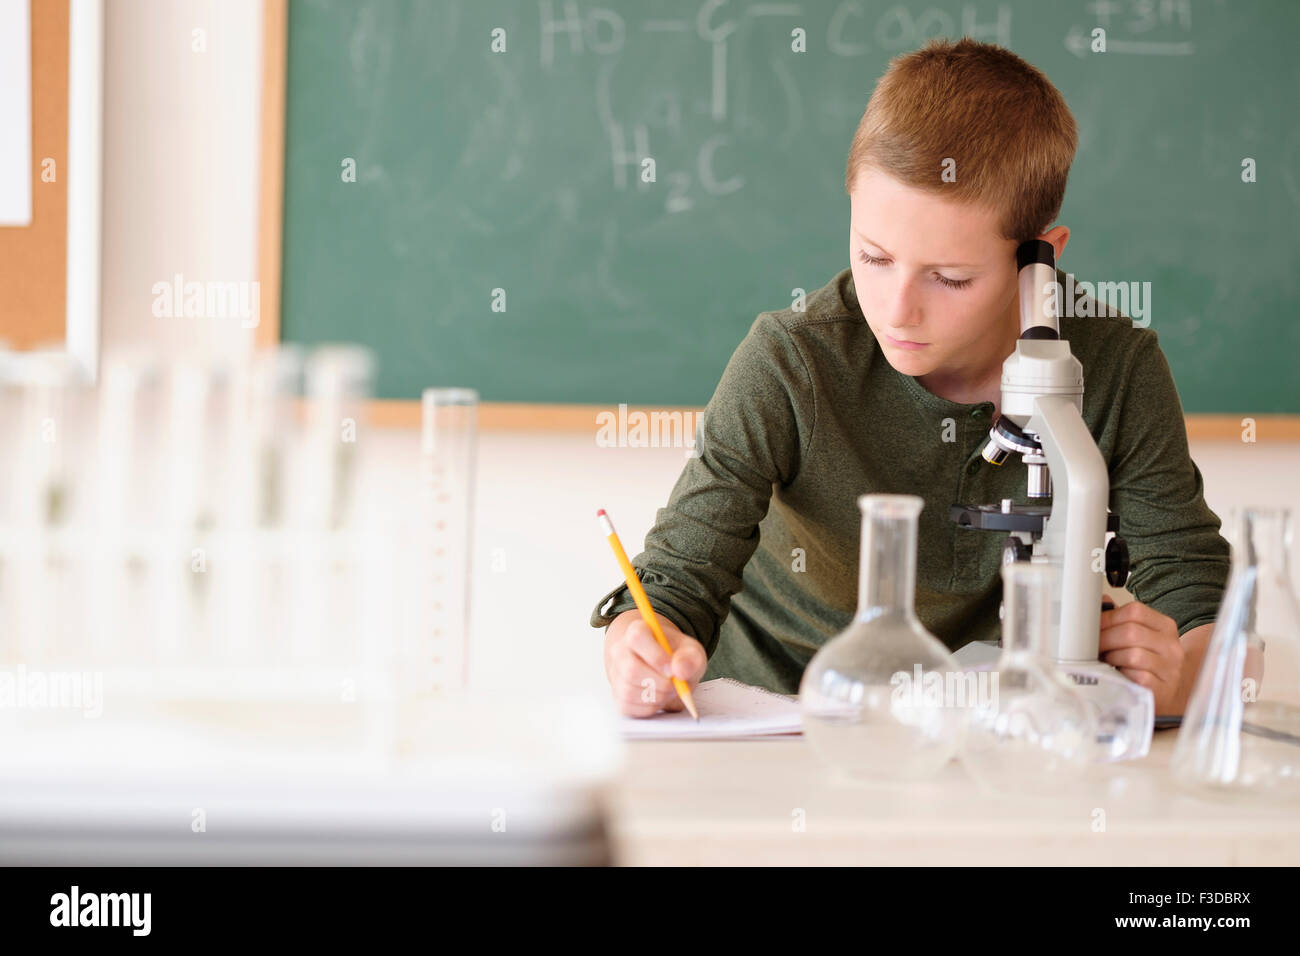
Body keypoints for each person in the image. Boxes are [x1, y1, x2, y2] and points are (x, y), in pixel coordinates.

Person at [590, 38, 1229, 718]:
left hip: (986, 732)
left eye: (950, 277)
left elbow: (1195, 590)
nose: (896, 310)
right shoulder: (791, 360)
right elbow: (678, 579)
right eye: (874, 256)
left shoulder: (1115, 368)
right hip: (772, 721)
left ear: (1040, 255)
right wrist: (640, 642)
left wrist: (1184, 672)